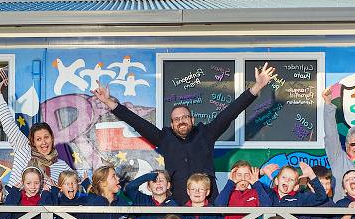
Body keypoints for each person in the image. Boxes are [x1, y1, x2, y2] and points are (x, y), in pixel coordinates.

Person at [93, 64, 276, 202]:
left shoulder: (207, 134)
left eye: (185, 117)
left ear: (192, 120)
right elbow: (136, 122)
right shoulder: (164, 139)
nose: (181, 121)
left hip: (208, 201)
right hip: (178, 203)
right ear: (171, 124)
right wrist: (109, 102)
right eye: (177, 119)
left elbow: (231, 112)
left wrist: (257, 87)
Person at [0, 71, 75, 188]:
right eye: (38, 139)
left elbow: (75, 184)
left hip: (43, 206)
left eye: (46, 137)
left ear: (52, 138)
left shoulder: (61, 166)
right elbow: (8, 124)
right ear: (33, 142)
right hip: (16, 204)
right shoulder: (24, 149)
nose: (44, 142)